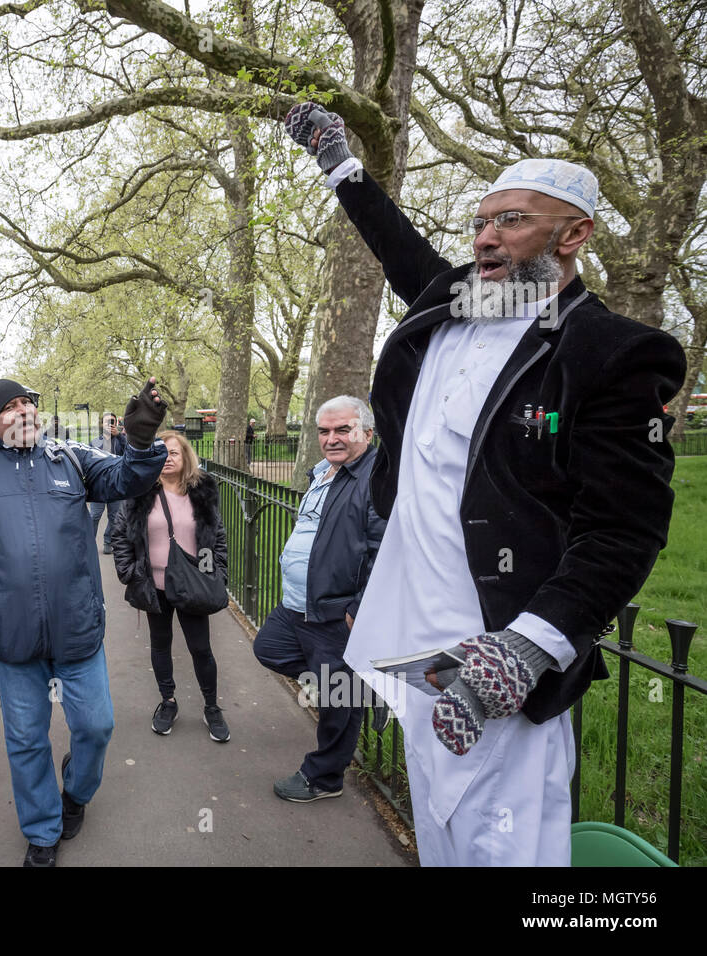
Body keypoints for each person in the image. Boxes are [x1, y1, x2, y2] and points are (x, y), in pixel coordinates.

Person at [285, 105, 685, 864]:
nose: (484, 238)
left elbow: (624, 528)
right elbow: (398, 248)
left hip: (497, 642)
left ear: (573, 236)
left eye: (511, 221)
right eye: (480, 222)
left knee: (502, 841)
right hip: (413, 639)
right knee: (439, 821)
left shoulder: (611, 352)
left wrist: (527, 649)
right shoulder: (456, 301)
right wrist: (340, 164)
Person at [0, 377, 167, 866]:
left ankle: (77, 793)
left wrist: (142, 442)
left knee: (96, 726)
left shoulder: (70, 458)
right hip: (14, 638)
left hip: (77, 629)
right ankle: (42, 832)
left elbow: (129, 478)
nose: (23, 412)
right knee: (25, 740)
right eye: (10, 406)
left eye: (28, 403)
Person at [251, 395, 385, 801]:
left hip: (334, 613)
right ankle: (358, 686)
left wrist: (357, 610)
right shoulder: (324, 472)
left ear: (367, 432)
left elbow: (386, 551)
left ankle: (324, 778)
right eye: (324, 431)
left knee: (335, 699)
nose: (331, 439)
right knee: (269, 649)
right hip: (297, 605)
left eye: (342, 429)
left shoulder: (376, 479)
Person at [110, 430, 229, 741]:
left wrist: (212, 574)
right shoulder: (141, 492)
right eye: (161, 452)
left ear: (185, 456)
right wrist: (128, 571)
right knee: (160, 644)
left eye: (174, 452)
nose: (168, 458)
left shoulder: (201, 491)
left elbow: (215, 537)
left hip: (192, 585)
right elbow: (120, 533)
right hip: (155, 585)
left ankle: (212, 707)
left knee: (200, 648)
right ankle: (168, 701)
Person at [87, 413, 127, 555]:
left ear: (116, 423)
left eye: (112, 422)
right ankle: (89, 543)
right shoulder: (94, 442)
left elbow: (129, 453)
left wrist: (120, 436)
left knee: (115, 517)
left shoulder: (122, 440)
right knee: (94, 516)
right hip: (99, 485)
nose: (109, 424)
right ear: (101, 424)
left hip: (116, 485)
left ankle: (108, 541)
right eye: (106, 422)